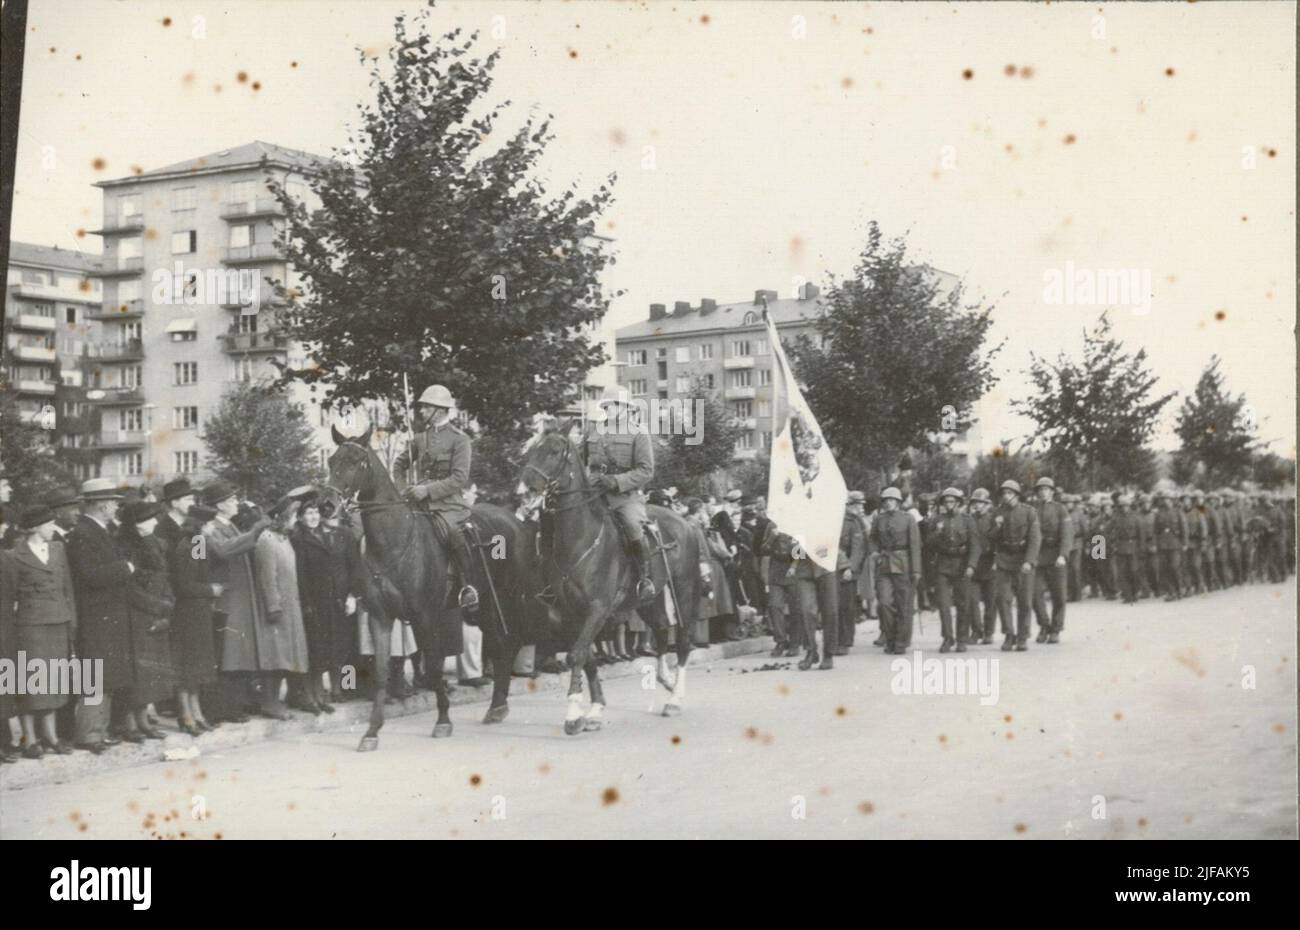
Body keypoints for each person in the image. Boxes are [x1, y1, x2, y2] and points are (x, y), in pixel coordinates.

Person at [394, 383, 479, 611]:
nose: (421, 411)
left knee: (452, 532)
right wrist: (404, 489)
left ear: (439, 410)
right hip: (417, 503)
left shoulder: (460, 440)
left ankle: (467, 586)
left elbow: (460, 478)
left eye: (425, 407)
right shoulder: (420, 439)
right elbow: (398, 465)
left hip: (448, 505)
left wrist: (428, 490)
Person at [65, 478, 136, 754]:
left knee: (104, 675)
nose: (116, 507)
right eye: (113, 502)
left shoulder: (95, 530)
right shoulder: (84, 533)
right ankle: (89, 733)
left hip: (105, 614)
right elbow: (89, 575)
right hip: (96, 615)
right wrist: (125, 567)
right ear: (102, 504)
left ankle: (98, 731)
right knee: (96, 675)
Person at [9, 505, 78, 757]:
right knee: (32, 682)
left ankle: (51, 735)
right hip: (31, 624)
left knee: (55, 680)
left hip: (58, 620)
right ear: (36, 527)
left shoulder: (58, 549)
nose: (53, 528)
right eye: (49, 524)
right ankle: (29, 739)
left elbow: (67, 588)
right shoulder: (14, 554)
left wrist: (72, 621)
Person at [203, 479, 274, 722]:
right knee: (229, 657)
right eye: (231, 499)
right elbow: (222, 550)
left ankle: (238, 705)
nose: (236, 503)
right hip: (228, 601)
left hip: (239, 600)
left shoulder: (229, 526)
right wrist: (256, 530)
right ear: (220, 505)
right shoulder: (211, 528)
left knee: (238, 655)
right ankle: (226, 709)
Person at [582, 388, 656, 603]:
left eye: (614, 404)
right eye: (606, 405)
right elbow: (580, 459)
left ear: (626, 408)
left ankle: (645, 579)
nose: (609, 409)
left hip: (624, 496)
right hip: (593, 491)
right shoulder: (593, 431)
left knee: (633, 525)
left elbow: (646, 470)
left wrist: (617, 481)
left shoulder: (638, 433)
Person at [114, 500, 177, 741]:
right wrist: (158, 605)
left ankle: (142, 719)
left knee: (151, 672)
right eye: (150, 518)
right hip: (138, 613)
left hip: (159, 609)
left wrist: (168, 603)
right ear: (137, 523)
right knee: (138, 671)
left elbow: (166, 574)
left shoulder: (154, 542)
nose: (155, 522)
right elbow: (129, 587)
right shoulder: (125, 546)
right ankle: (130, 722)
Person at [253, 495, 312, 714]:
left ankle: (288, 697)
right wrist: (273, 606)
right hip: (277, 609)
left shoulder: (283, 538)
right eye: (294, 516)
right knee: (275, 655)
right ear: (282, 517)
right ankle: (269, 702)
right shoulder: (267, 539)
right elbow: (267, 577)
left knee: (289, 655)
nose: (296, 520)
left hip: (291, 606)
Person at [168, 502, 222, 734]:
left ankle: (196, 712)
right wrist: (210, 591)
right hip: (187, 612)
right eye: (210, 523)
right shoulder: (186, 545)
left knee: (198, 666)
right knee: (187, 665)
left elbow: (201, 574)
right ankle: (186, 714)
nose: (213, 528)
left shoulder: (198, 543)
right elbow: (184, 585)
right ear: (200, 524)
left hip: (199, 612)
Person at [291, 494, 347, 711]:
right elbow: (301, 575)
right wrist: (307, 603)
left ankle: (324, 695)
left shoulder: (323, 535)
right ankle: (312, 697)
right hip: (313, 602)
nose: (313, 517)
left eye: (315, 513)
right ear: (301, 517)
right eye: (309, 513)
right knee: (314, 651)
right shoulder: (299, 539)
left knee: (327, 650)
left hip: (329, 601)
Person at [869, 487, 921, 655]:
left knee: (904, 605)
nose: (888, 502)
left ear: (898, 502)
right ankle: (890, 638)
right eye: (885, 500)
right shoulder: (879, 519)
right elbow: (873, 539)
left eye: (891, 500)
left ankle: (901, 641)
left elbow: (914, 545)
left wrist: (916, 570)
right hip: (884, 564)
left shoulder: (908, 519)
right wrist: (874, 551)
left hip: (904, 564)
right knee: (884, 603)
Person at [991, 479, 1041, 651]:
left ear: (1017, 495)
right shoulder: (997, 513)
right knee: (1003, 599)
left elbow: (1035, 539)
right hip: (1004, 560)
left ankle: (1022, 636)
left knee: (1025, 601)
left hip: (1022, 560)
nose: (1006, 496)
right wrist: (997, 526)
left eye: (1010, 493)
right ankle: (1009, 634)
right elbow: (991, 539)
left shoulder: (1029, 512)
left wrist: (1029, 561)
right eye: (1004, 493)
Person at [930, 488, 981, 652]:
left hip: (961, 565)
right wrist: (937, 532)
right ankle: (947, 638)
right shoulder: (937, 520)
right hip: (943, 565)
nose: (949, 505)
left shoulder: (967, 520)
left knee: (962, 604)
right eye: (946, 502)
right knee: (944, 605)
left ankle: (961, 638)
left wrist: (971, 565)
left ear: (958, 503)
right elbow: (928, 544)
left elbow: (975, 546)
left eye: (952, 501)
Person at [1031, 477, 1071, 644]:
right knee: (1035, 594)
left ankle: (1056, 629)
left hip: (1056, 555)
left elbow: (1067, 534)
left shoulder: (1061, 509)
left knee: (1059, 595)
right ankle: (1044, 626)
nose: (1043, 492)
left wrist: (1063, 555)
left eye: (1046, 489)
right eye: (1040, 489)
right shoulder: (1032, 510)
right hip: (1038, 556)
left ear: (1052, 492)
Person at [836, 492, 868, 651]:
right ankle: (835, 638)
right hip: (830, 569)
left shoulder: (853, 522)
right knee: (833, 605)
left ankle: (845, 640)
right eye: (857, 504)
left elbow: (858, 548)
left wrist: (851, 568)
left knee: (846, 606)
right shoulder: (830, 520)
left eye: (860, 504)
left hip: (847, 569)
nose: (860, 508)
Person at [967, 488, 998, 644]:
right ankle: (976, 631)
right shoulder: (969, 519)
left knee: (990, 601)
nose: (977, 505)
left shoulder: (994, 520)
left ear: (987, 504)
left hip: (990, 563)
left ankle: (989, 632)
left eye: (981, 502)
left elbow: (999, 541)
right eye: (975, 502)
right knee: (972, 601)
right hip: (973, 564)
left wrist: (997, 561)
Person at [1109, 492, 1146, 604]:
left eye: (1126, 506)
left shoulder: (1136, 517)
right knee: (1122, 572)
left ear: (1129, 506)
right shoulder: (1116, 517)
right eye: (1122, 506)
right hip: (1121, 547)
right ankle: (1127, 595)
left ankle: (1135, 592)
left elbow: (1141, 534)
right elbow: (1108, 531)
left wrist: (1141, 548)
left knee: (1134, 571)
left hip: (1134, 546)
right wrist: (1113, 544)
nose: (1124, 508)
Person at [1153, 491, 1187, 600]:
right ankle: (1171, 592)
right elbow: (1155, 530)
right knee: (1165, 569)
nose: (1166, 501)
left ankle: (1180, 589)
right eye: (1164, 499)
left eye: (1168, 499)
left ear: (1172, 500)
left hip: (1175, 544)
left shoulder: (1178, 512)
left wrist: (1185, 543)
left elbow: (1184, 529)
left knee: (1175, 567)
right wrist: (1155, 543)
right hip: (1163, 545)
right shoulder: (1159, 513)